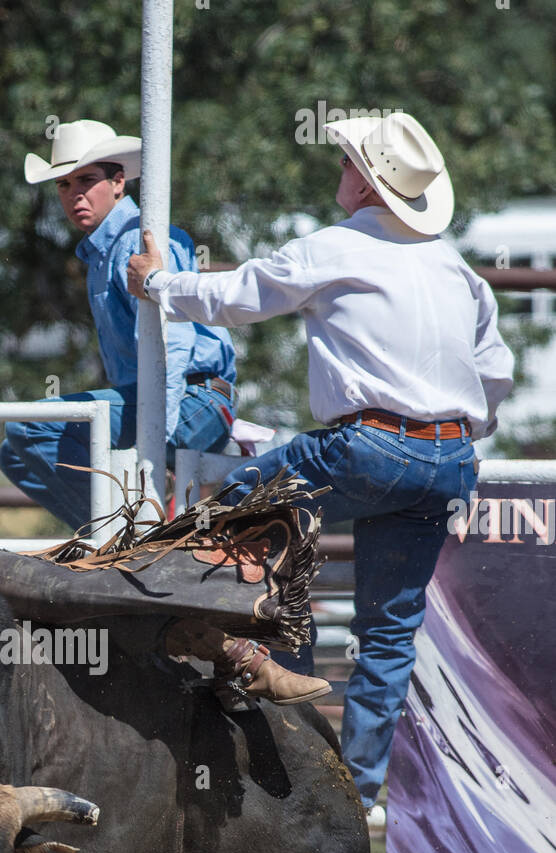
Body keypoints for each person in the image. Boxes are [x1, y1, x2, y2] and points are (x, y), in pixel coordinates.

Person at [127, 111, 515, 807]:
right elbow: (494, 375)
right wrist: (451, 430)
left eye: (345, 165)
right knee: (389, 636)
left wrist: (159, 284)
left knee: (234, 506)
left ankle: (276, 672)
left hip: (369, 448)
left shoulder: (335, 249)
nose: (338, 173)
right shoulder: (456, 269)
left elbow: (238, 296)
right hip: (451, 460)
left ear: (366, 183)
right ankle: (354, 792)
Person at [0, 119, 239, 535]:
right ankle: (119, 536)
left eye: (86, 180)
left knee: (29, 425)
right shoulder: (103, 251)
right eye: (63, 184)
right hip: (168, 397)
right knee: (14, 453)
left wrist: (153, 440)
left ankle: (127, 534)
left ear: (118, 182)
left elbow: (174, 341)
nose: (74, 194)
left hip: (193, 399)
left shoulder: (140, 239)